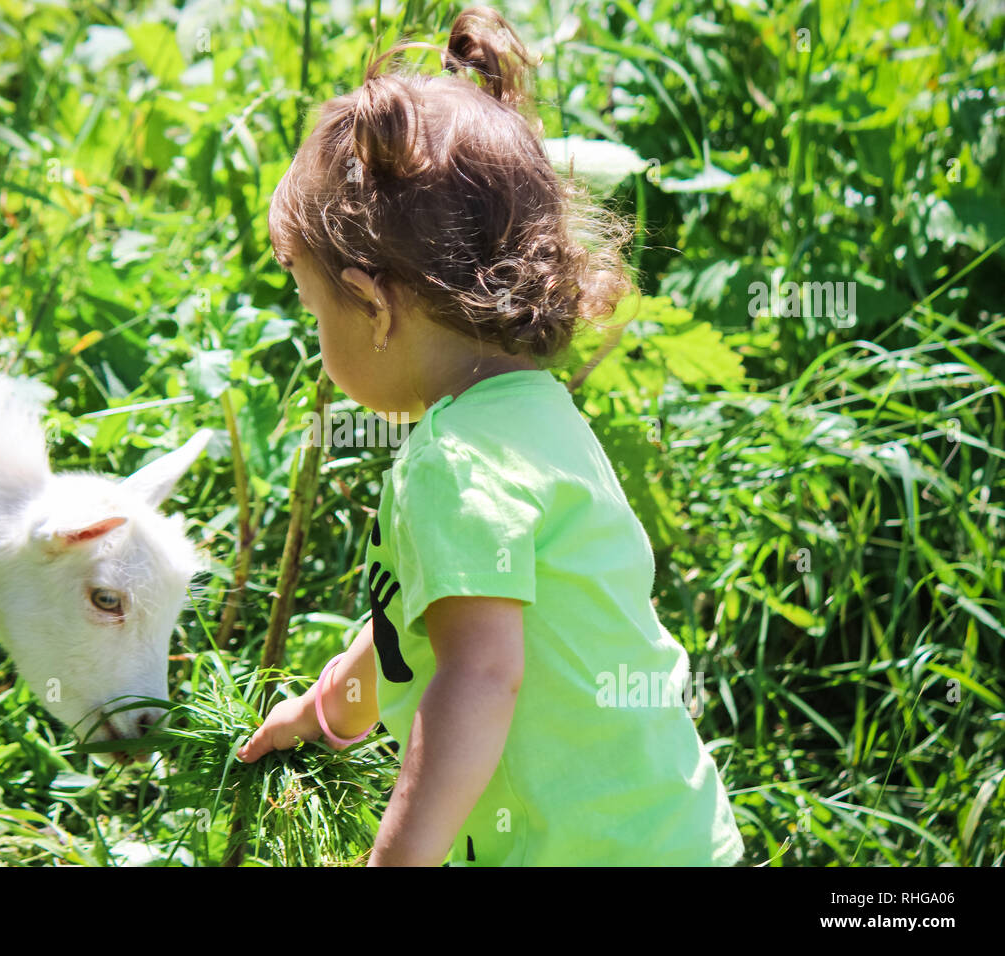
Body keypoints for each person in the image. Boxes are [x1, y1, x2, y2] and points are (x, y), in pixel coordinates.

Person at [236, 5, 744, 867]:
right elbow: (414, 622)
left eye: (318, 311)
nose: (320, 345)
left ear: (373, 305)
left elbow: (478, 675)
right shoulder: (537, 414)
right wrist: (327, 711)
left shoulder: (451, 465)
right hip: (670, 833)